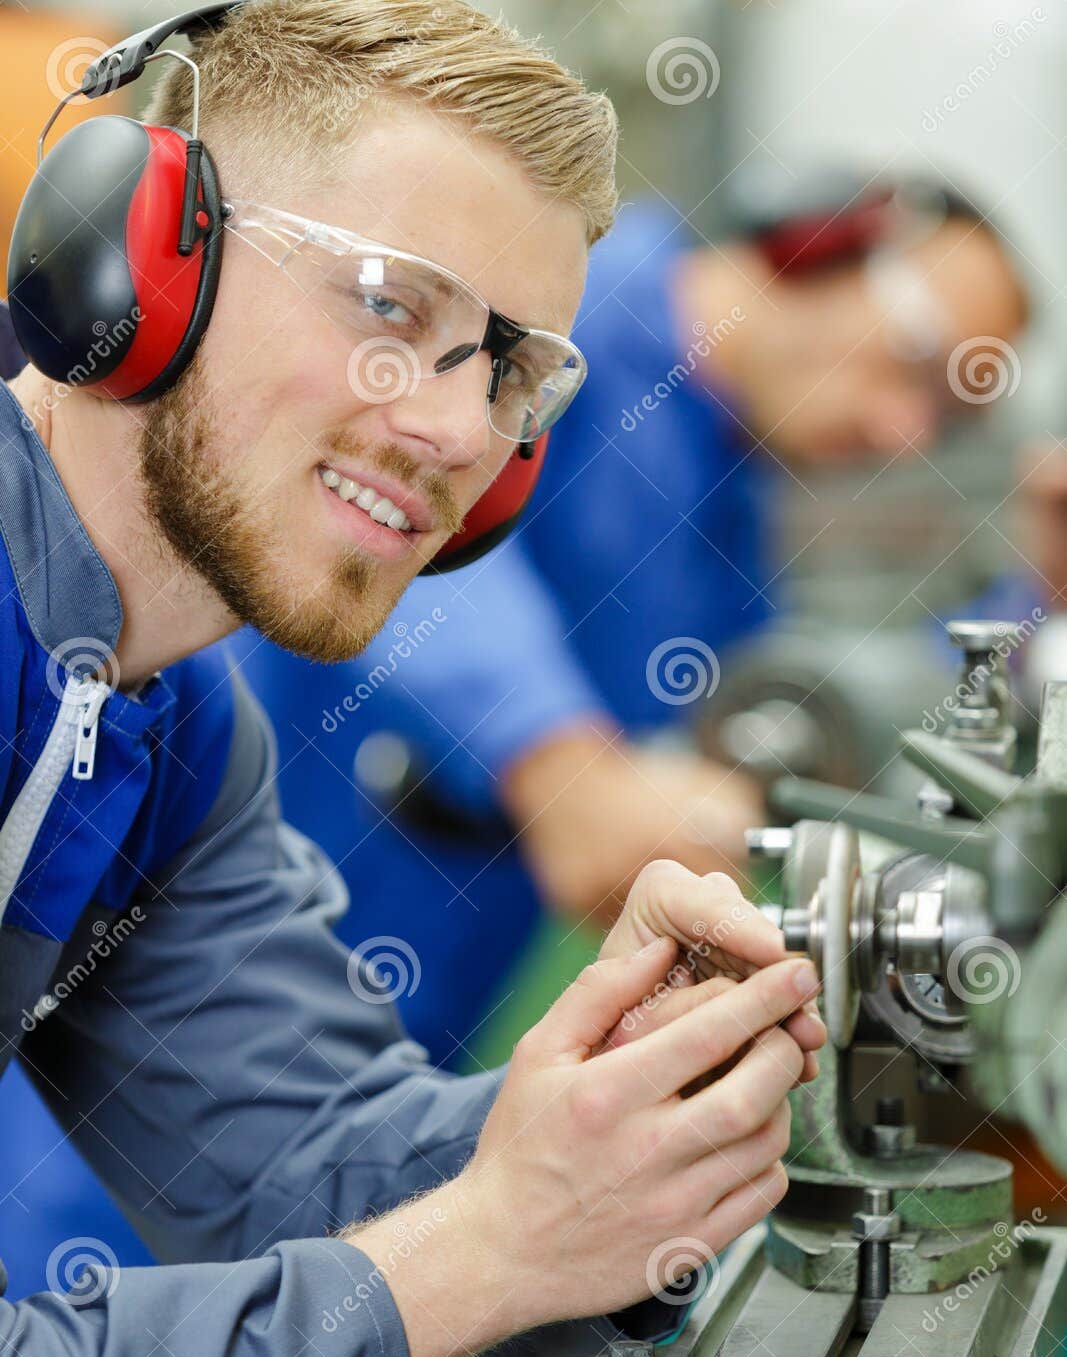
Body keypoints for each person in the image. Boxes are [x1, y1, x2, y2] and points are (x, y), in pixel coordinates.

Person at [0, 0, 824, 1357]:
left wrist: (677, 1097)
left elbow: (297, 1164)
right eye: (391, 302)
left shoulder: (165, 727)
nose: (457, 430)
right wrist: (483, 1250)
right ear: (135, 263)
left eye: (509, 367)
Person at [231, 171, 1030, 1064]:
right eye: (918, 362)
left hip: (409, 1008)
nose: (902, 432)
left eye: (949, 419)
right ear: (817, 244)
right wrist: (559, 762)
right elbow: (396, 528)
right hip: (223, 916)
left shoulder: (732, 484)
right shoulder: (566, 312)